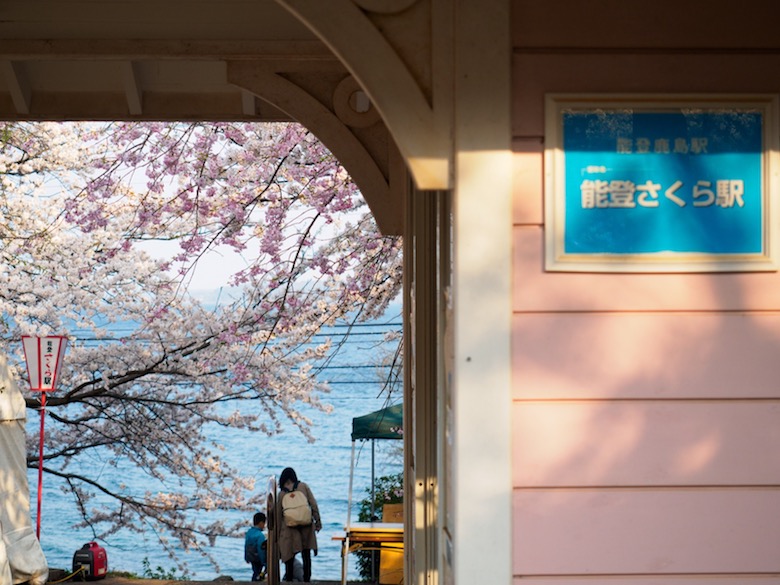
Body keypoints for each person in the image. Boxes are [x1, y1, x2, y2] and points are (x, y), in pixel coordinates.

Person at [277, 467, 321, 582]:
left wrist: (276, 533)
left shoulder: (281, 494)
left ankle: (289, 580)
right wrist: (318, 521)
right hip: (306, 525)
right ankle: (307, 580)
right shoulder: (303, 487)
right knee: (306, 555)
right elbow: (313, 504)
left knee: (289, 557)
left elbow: (278, 516)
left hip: (289, 530)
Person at [244, 511, 267, 581]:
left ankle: (254, 580)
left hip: (250, 556)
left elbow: (246, 545)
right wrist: (264, 561)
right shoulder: (260, 535)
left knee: (255, 571)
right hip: (258, 558)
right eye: (264, 524)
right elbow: (261, 549)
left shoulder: (249, 532)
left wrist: (246, 557)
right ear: (261, 523)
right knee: (258, 572)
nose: (264, 526)